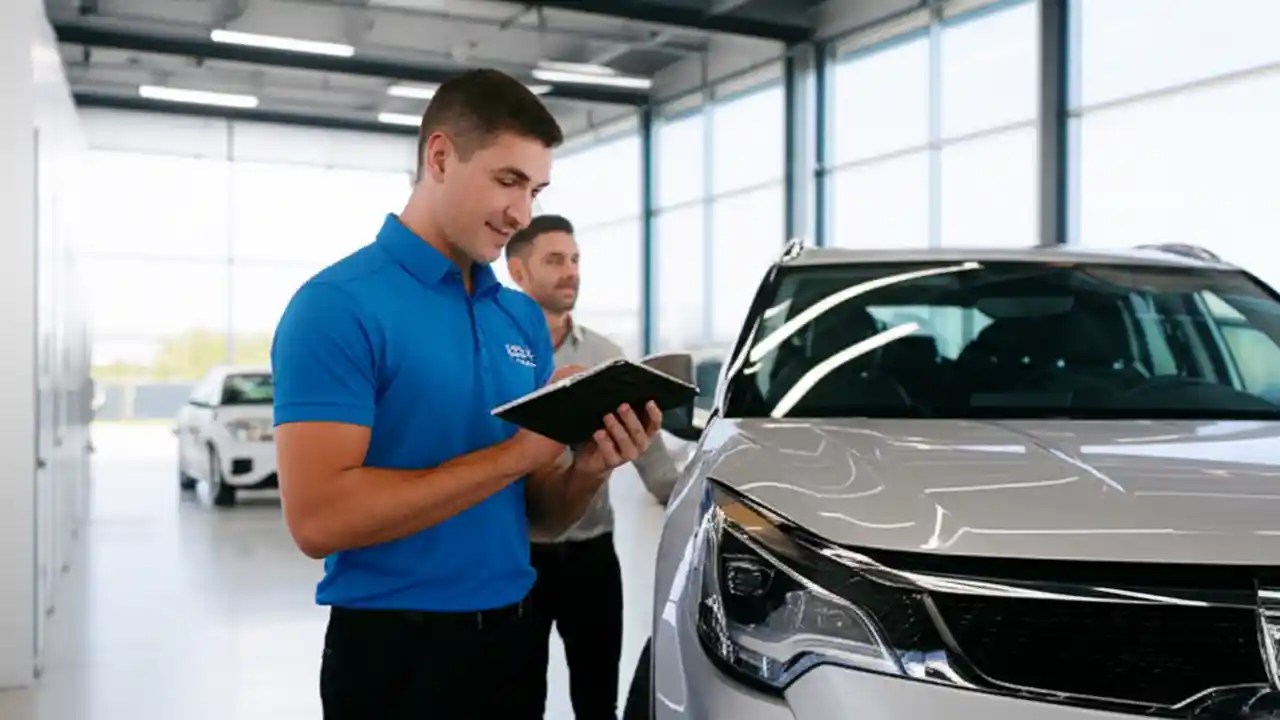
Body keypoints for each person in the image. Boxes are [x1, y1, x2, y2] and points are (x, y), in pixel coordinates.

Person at [269, 69, 664, 719]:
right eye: (508, 181)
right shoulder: (335, 307)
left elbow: (538, 517)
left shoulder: (519, 319)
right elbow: (318, 521)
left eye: (534, 190)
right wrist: (515, 455)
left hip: (514, 636)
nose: (522, 213)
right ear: (441, 157)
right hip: (394, 650)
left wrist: (588, 469)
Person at [504, 214, 682, 720]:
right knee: (516, 696)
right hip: (518, 557)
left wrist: (690, 498)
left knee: (597, 693)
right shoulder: (498, 356)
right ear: (518, 272)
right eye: (555, 260)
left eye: (575, 259)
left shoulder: (607, 357)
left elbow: (652, 460)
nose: (571, 272)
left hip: (591, 556)